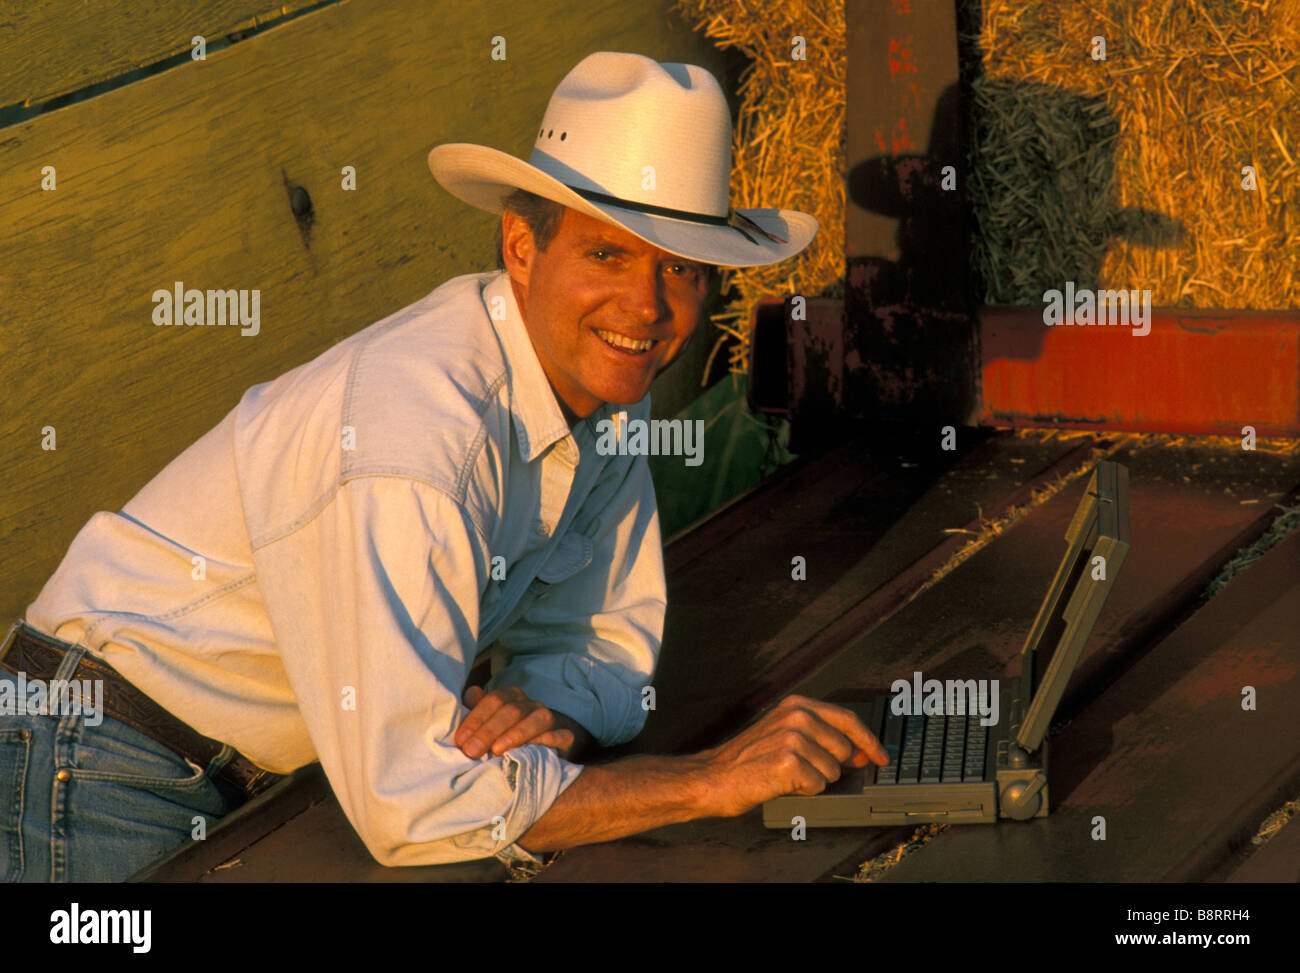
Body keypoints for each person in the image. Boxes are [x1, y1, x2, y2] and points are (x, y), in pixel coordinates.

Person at [0, 51, 887, 883]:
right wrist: (708, 779)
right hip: (93, 759)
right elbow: (415, 806)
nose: (647, 306)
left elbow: (607, 639)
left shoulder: (603, 391)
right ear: (521, 248)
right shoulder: (415, 443)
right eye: (607, 254)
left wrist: (548, 716)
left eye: (682, 270)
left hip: (237, 769)